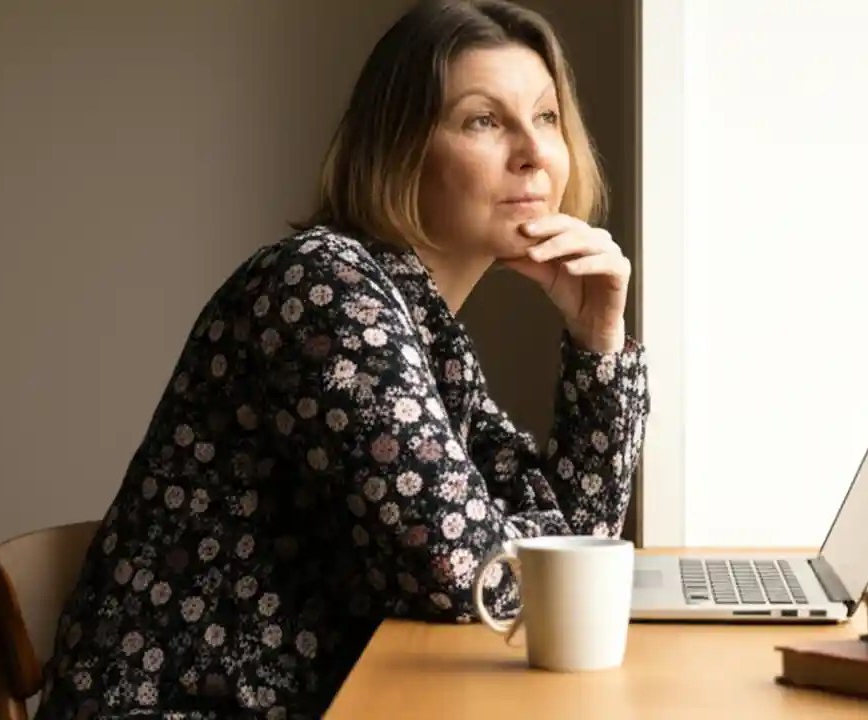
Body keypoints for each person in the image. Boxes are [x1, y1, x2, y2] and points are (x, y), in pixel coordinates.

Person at [33, 1, 650, 717]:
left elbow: (573, 573)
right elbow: (473, 576)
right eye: (484, 120)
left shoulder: (417, 323)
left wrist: (597, 342)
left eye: (546, 117)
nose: (534, 152)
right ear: (398, 148)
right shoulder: (322, 289)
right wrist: (520, 547)